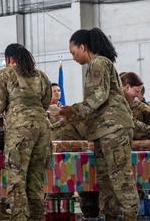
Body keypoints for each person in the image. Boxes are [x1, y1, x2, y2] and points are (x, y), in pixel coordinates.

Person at [57, 28, 136, 221]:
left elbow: (99, 96)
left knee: (121, 179)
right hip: (103, 130)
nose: (73, 57)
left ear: (83, 47)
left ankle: (131, 217)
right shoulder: (97, 65)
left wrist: (73, 110)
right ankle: (110, 216)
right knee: (106, 181)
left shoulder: (99, 62)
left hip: (113, 128)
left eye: (73, 52)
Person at [0, 44, 52, 221]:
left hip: (20, 131)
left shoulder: (5, 74)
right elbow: (46, 103)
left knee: (17, 181)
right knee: (36, 181)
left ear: (9, 59)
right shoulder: (41, 76)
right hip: (43, 130)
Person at [120, 71, 150, 140]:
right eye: (136, 91)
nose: (138, 95)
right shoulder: (116, 102)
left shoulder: (124, 103)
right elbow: (129, 123)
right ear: (127, 87)